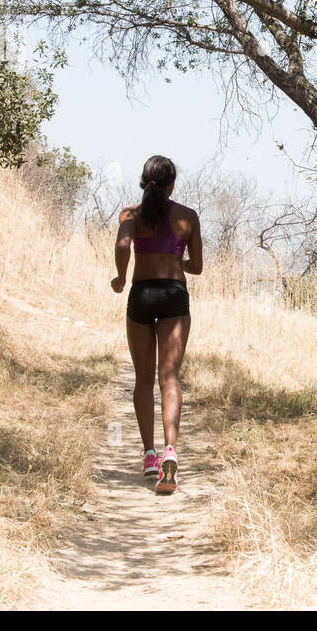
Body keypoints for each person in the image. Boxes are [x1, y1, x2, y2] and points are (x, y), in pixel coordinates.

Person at [110, 155, 202, 494]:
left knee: (143, 379)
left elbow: (122, 244)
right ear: (172, 184)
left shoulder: (130, 215)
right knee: (170, 378)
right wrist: (176, 259)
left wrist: (121, 277)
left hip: (142, 295)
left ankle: (149, 454)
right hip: (174, 296)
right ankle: (171, 452)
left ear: (143, 181)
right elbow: (199, 266)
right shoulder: (187, 217)